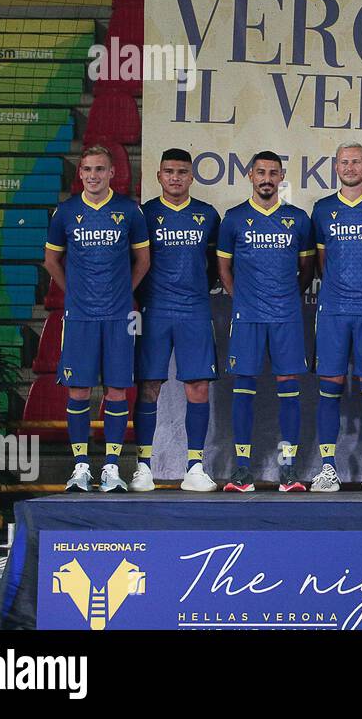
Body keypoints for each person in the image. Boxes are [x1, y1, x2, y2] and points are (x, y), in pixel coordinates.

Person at [43, 145, 150, 493]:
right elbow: (51, 262)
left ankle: (112, 467)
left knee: (118, 390)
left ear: (112, 173)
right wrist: (74, 292)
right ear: (80, 174)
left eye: (99, 169)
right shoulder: (66, 212)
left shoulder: (128, 211)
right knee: (79, 390)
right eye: (87, 169)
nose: (92, 175)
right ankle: (80, 467)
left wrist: (122, 291)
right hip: (81, 317)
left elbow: (143, 261)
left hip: (119, 316)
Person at [217, 151, 315, 493]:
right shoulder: (233, 219)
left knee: (290, 389)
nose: (267, 178)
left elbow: (307, 269)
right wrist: (241, 299)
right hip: (248, 317)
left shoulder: (298, 219)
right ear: (250, 174)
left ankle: (288, 470)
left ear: (281, 176)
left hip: (286, 316)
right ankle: (243, 470)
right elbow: (224, 269)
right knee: (243, 388)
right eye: (261, 172)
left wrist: (288, 296)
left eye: (273, 173)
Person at [308, 142, 362, 492]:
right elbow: (320, 260)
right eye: (344, 162)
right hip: (333, 310)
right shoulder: (322, 209)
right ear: (335, 167)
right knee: (331, 386)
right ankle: (327, 467)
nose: (349, 167)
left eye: (356, 161)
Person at [134, 148, 220, 492]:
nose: (175, 177)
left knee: (197, 387)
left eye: (182, 172)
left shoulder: (207, 215)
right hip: (154, 310)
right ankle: (143, 466)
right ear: (158, 175)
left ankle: (195, 467)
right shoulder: (144, 214)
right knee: (149, 386)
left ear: (191, 176)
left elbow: (215, 265)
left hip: (195, 310)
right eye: (169, 171)